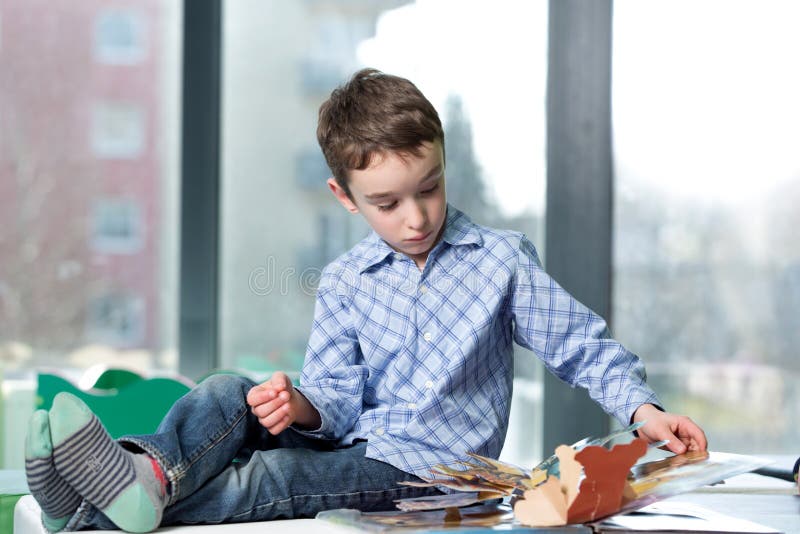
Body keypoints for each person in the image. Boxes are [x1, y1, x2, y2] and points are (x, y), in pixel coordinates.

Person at [24, 68, 707, 533]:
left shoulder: (499, 261)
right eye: (387, 203)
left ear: (443, 165)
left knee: (268, 476)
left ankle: (82, 515)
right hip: (349, 440)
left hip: (429, 473)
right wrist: (301, 406)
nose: (416, 218)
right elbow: (336, 395)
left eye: (430, 188)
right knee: (228, 392)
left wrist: (642, 409)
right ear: (344, 198)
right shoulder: (348, 280)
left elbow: (577, 342)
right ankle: (141, 474)